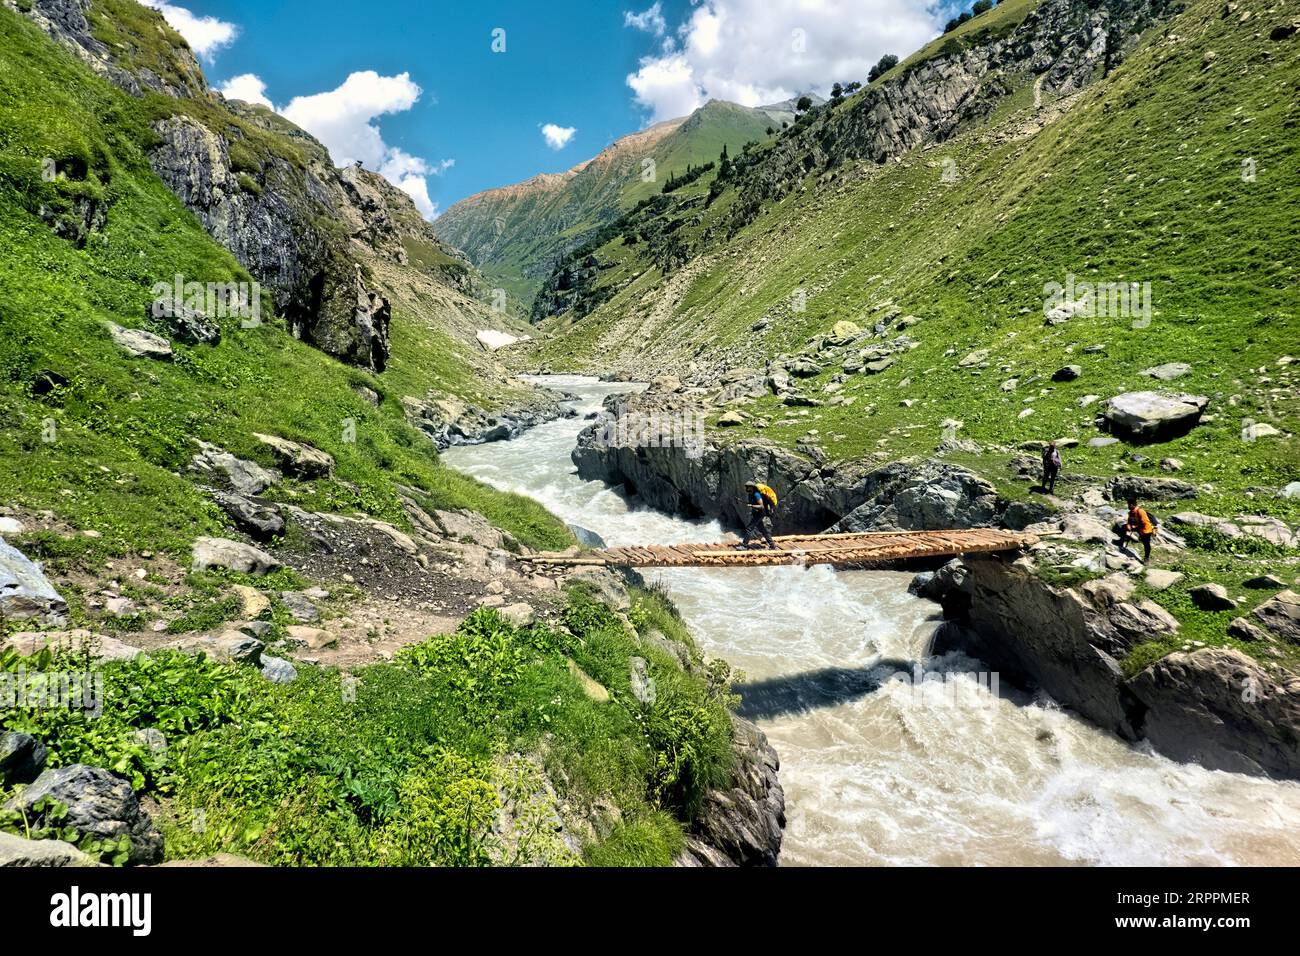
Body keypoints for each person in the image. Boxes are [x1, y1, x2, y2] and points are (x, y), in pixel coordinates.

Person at [738, 480, 777, 550]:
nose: (746, 488)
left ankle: (744, 546)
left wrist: (752, 506)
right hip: (756, 513)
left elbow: (761, 506)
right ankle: (772, 545)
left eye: (747, 487)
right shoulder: (751, 494)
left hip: (760, 513)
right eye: (746, 487)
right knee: (763, 530)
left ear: (752, 487)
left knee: (749, 528)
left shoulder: (757, 494)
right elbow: (752, 503)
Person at [1116, 497, 1156, 563]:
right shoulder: (1131, 512)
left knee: (1146, 544)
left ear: (1132, 505)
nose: (1128, 506)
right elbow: (1129, 521)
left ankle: (1146, 558)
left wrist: (1134, 527)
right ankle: (1121, 542)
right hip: (1138, 528)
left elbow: (1144, 522)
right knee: (1124, 527)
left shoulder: (1140, 511)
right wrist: (1129, 526)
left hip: (1146, 530)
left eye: (1128, 505)